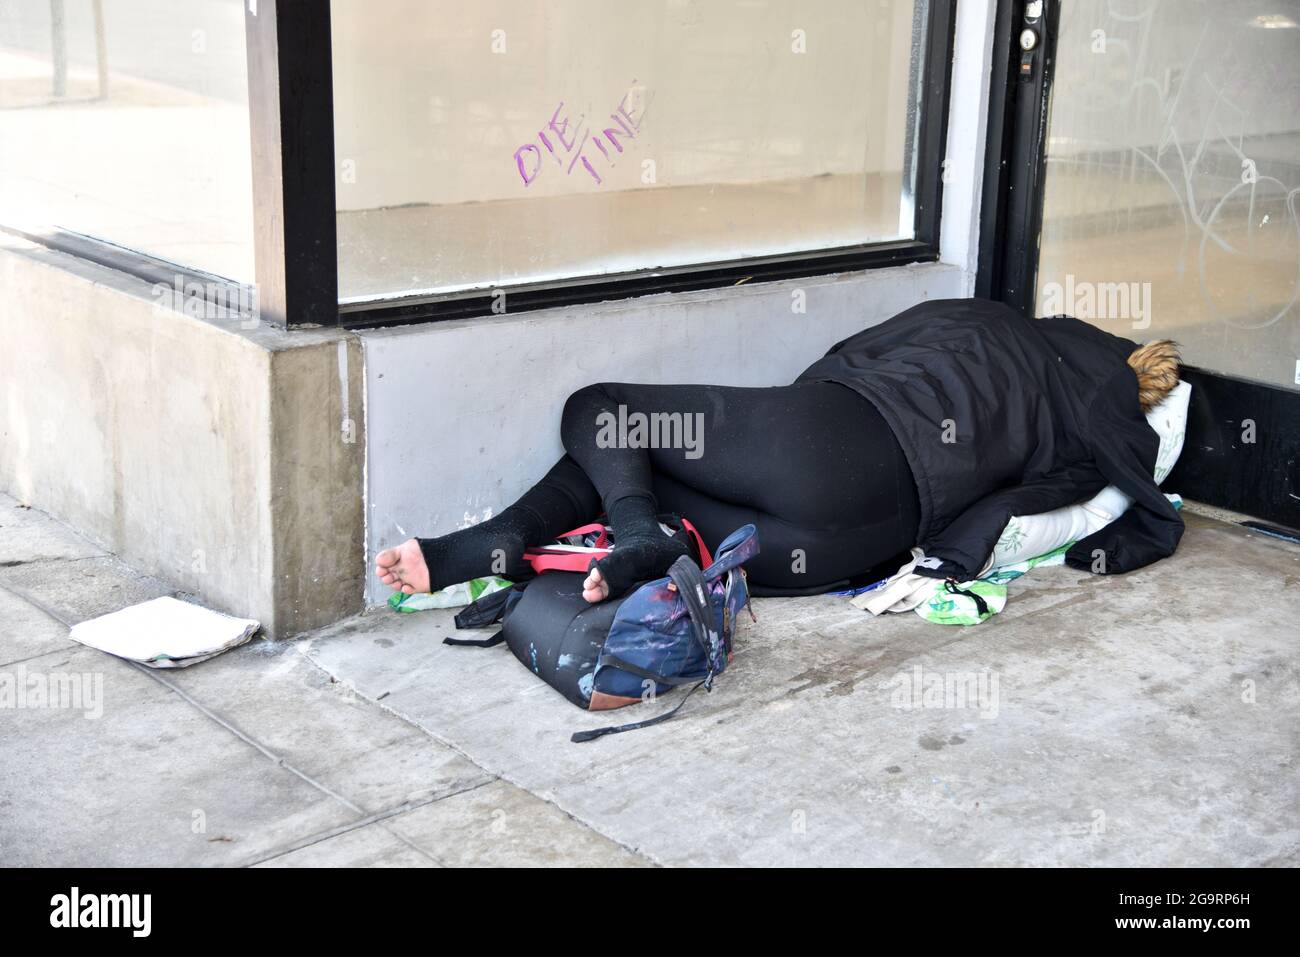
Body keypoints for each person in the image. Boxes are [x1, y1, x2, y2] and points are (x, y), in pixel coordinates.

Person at [375, 298, 1183, 603]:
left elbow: (861, 345)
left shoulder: (996, 324)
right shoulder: (1094, 430)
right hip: (848, 547)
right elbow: (1048, 508)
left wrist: (793, 409)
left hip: (834, 443)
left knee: (607, 411)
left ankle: (607, 536)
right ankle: (561, 543)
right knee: (639, 463)